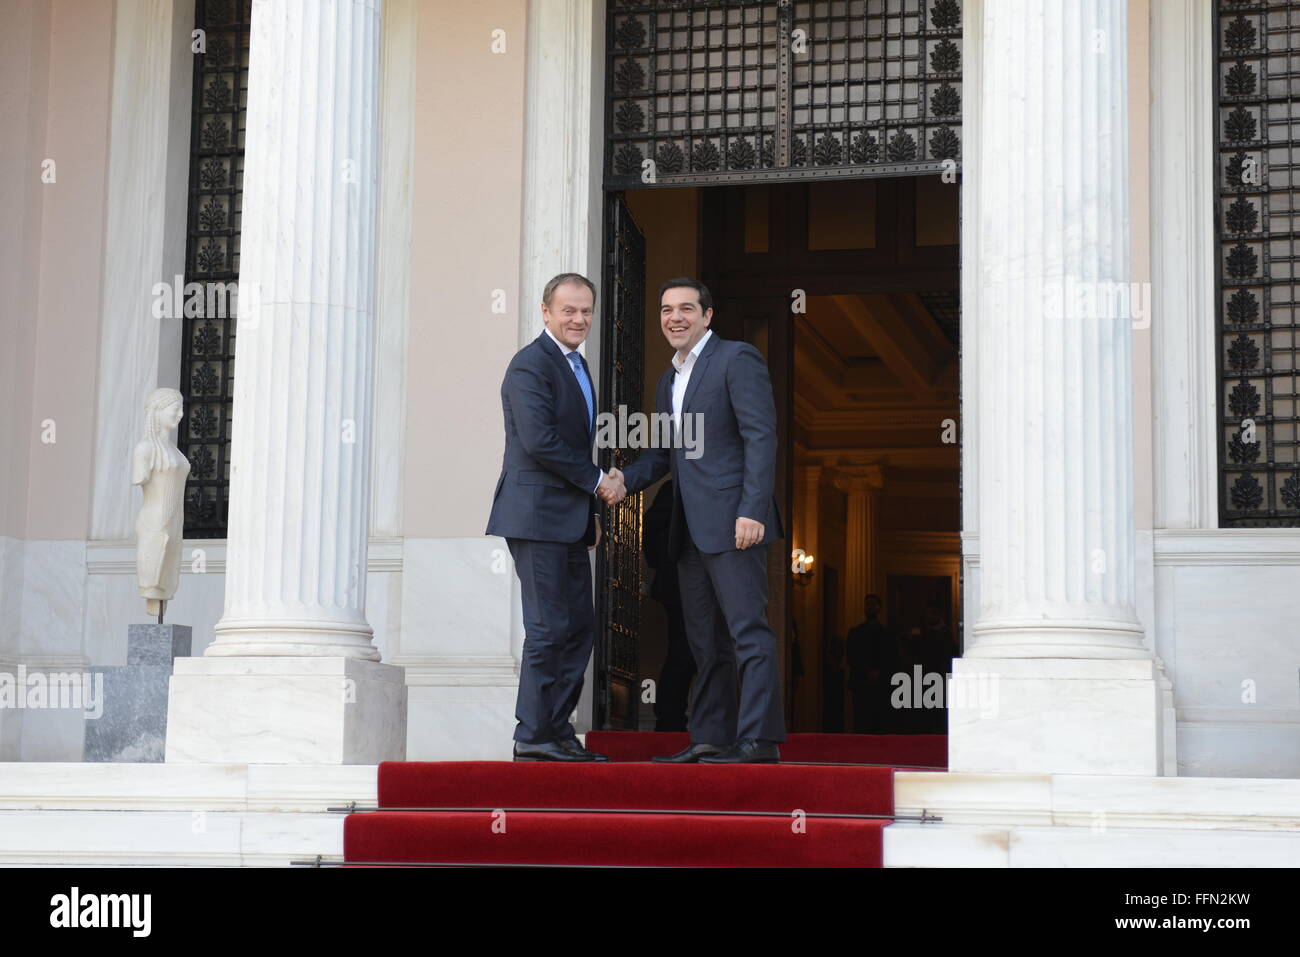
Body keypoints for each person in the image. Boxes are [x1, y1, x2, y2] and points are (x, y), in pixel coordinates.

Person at [604, 277, 786, 763]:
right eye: (666, 310)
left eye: (686, 308)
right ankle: (710, 737)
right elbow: (664, 453)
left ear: (708, 315)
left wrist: (752, 509)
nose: (674, 317)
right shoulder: (670, 379)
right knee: (704, 641)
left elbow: (760, 437)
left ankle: (759, 740)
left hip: (734, 523)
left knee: (747, 631)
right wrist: (624, 481)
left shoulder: (735, 358)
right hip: (687, 531)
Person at [485, 273, 625, 762]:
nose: (579, 319)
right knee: (547, 628)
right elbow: (541, 442)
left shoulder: (578, 365)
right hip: (534, 516)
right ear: (545, 312)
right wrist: (597, 483)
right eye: (568, 310)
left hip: (566, 519)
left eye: (586, 310)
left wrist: (589, 513)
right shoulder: (530, 365)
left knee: (579, 627)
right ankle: (533, 734)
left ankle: (556, 728)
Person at [642, 480, 695, 732]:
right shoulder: (674, 488)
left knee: (695, 652)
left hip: (693, 583)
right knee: (683, 652)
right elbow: (652, 527)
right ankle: (669, 717)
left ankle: (675, 715)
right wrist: (661, 565)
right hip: (676, 582)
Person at [845, 593, 899, 734]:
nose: (870, 607)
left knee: (880, 723)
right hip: (862, 684)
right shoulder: (856, 633)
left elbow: (892, 658)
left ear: (879, 608)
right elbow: (852, 657)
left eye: (873, 604)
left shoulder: (887, 634)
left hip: (882, 685)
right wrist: (866, 672)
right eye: (868, 604)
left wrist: (880, 673)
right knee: (862, 723)